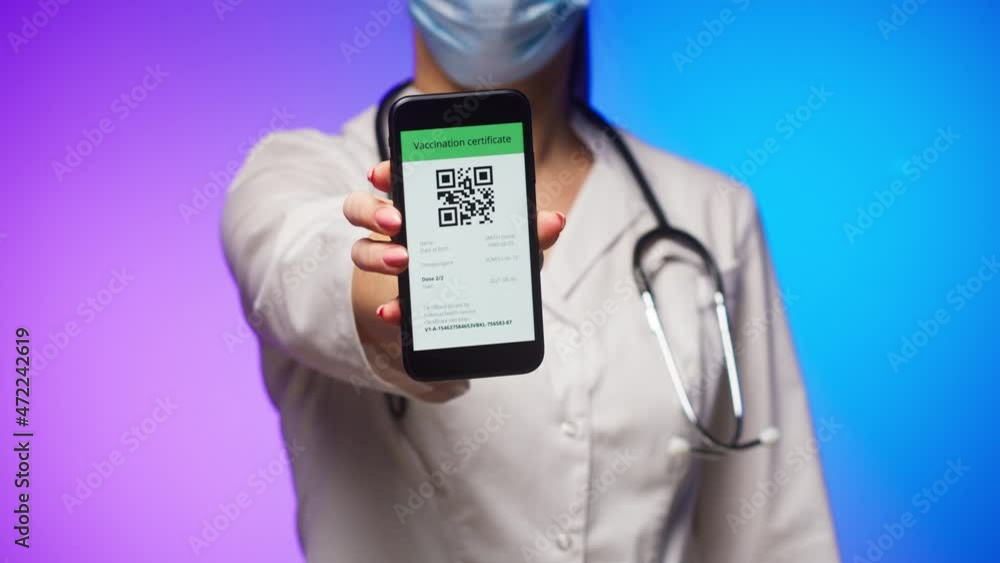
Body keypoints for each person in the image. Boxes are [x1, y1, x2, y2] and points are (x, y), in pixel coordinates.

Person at [221, 1, 840, 561]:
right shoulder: (295, 176)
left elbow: (777, 534)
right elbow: (299, 275)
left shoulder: (708, 212)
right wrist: (407, 290)